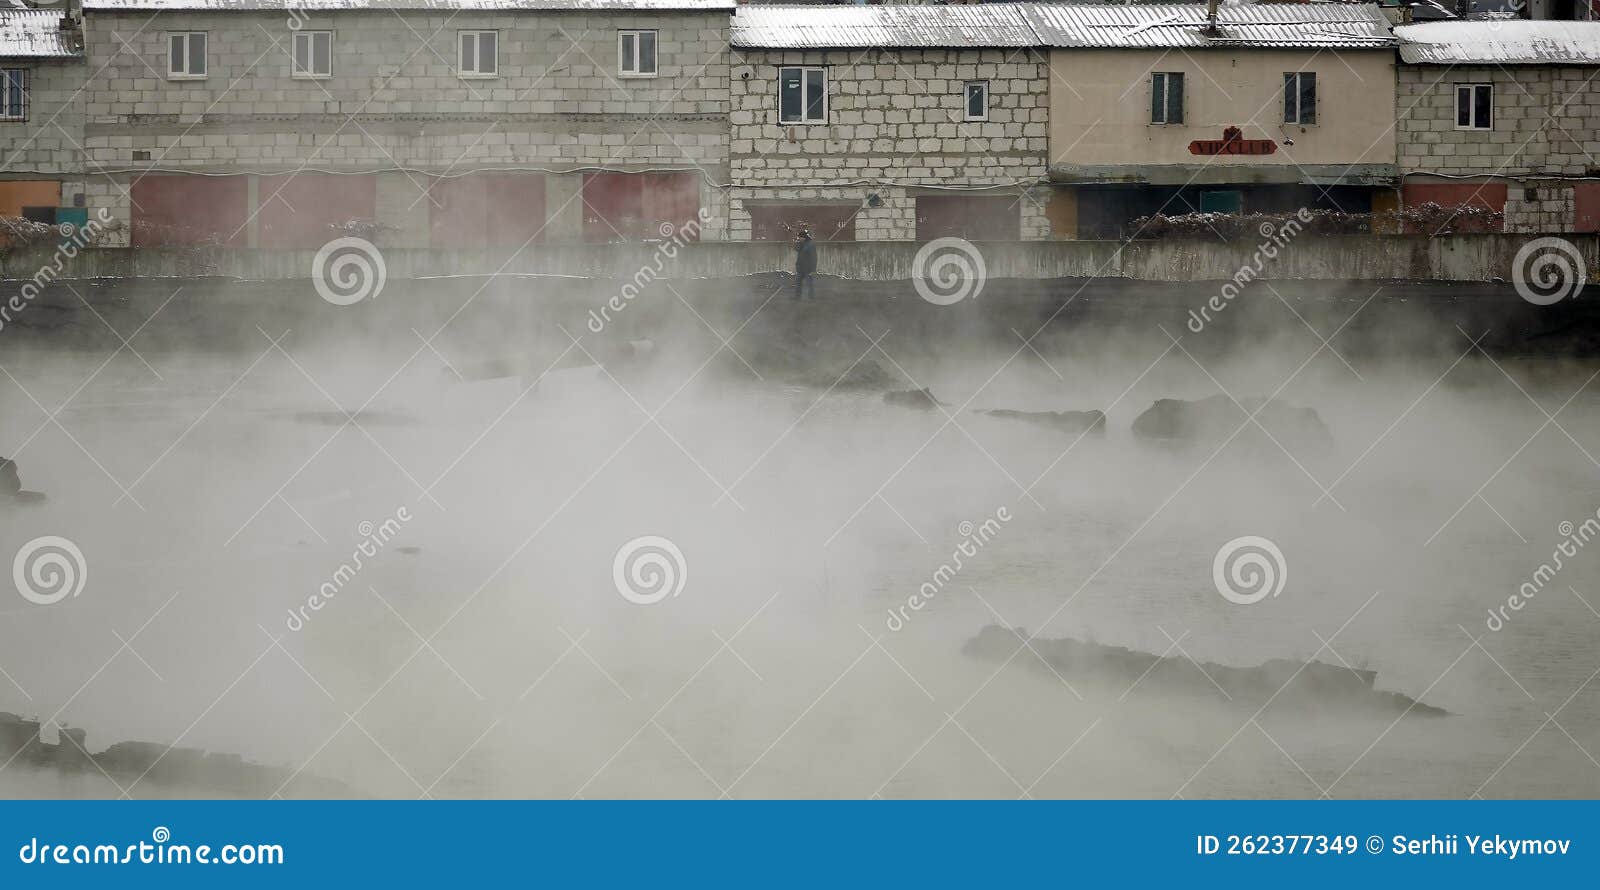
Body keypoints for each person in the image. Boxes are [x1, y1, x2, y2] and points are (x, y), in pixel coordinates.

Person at [793, 228, 817, 300]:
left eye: (800, 237)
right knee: (798, 283)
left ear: (804, 237)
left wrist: (813, 269)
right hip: (800, 267)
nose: (799, 238)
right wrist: (797, 242)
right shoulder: (801, 243)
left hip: (808, 268)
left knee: (809, 284)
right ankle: (797, 296)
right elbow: (796, 249)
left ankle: (811, 297)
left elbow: (814, 257)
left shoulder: (811, 244)